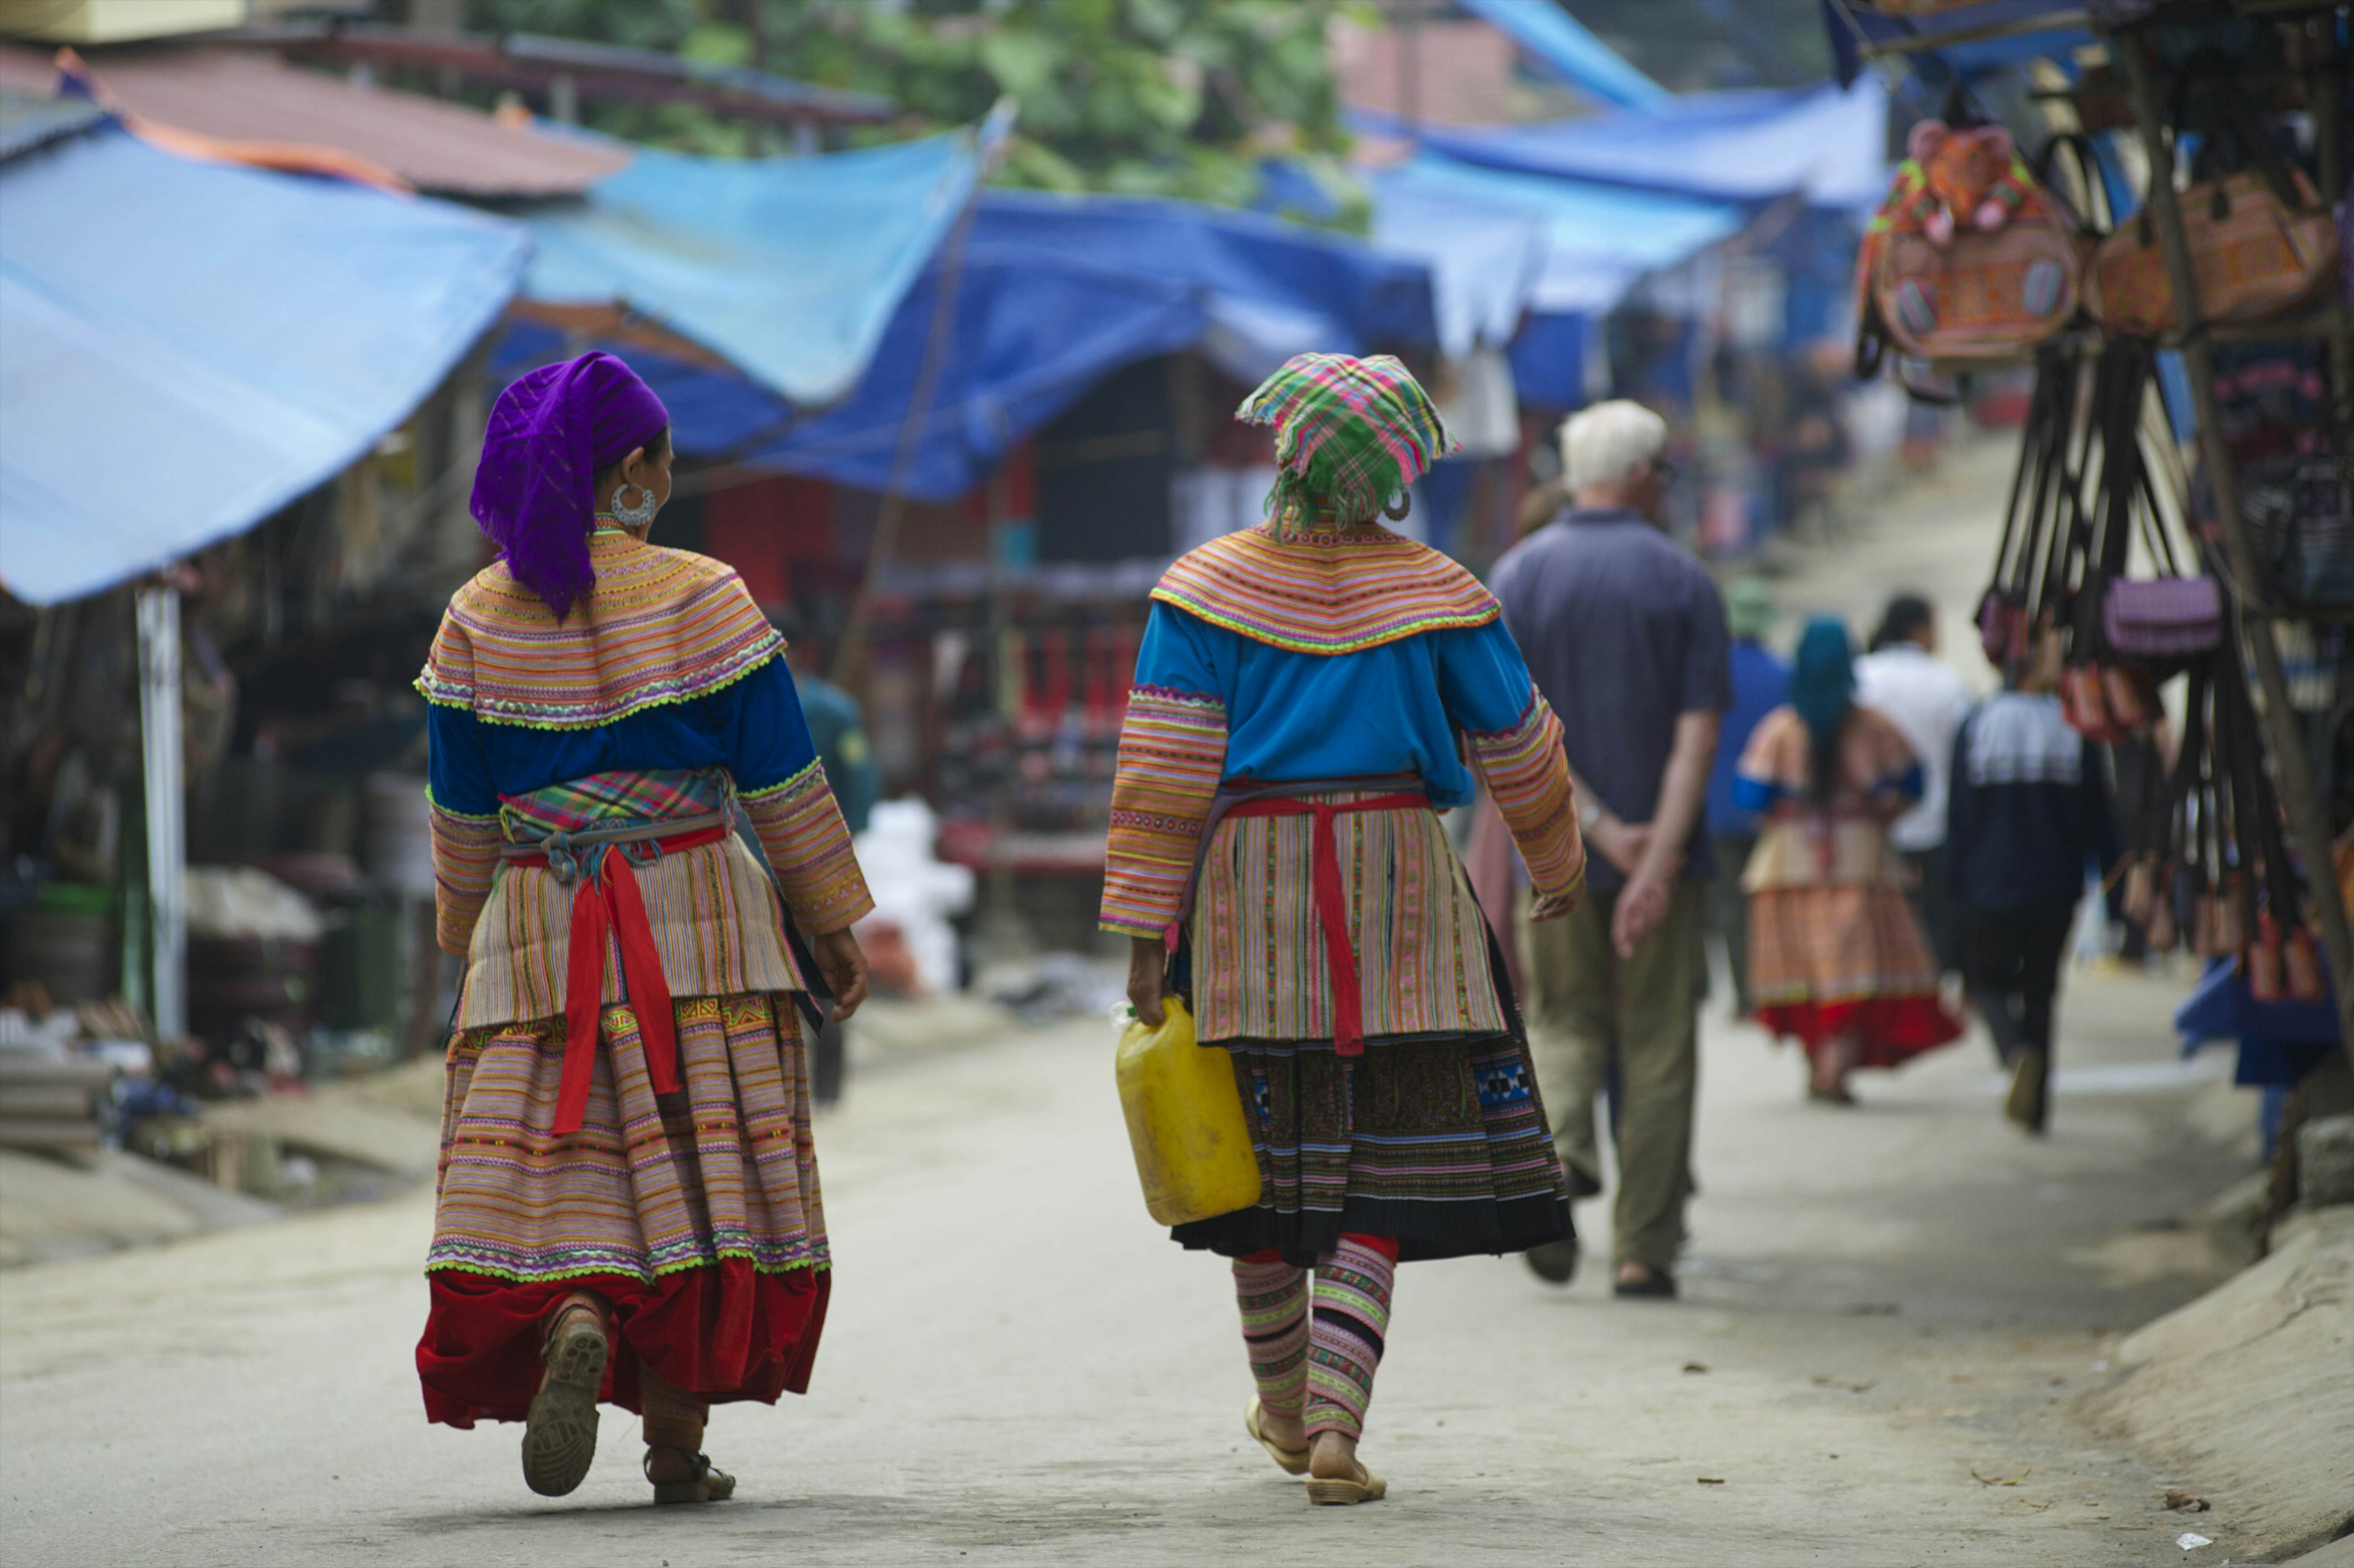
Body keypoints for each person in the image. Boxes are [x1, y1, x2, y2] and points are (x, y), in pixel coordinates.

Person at [1105, 353, 1586, 1506]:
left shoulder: (1202, 588)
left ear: (1286, 455)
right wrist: (1553, 863)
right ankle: (1332, 1428)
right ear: (1391, 473)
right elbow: (1518, 742)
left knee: (1253, 1167)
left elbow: (1163, 773)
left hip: (1245, 892)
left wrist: (1139, 931)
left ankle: (1278, 1404)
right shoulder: (1438, 591)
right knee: (1384, 1169)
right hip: (1401, 886)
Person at [411, 353, 874, 1504]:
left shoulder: (475, 615)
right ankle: (674, 1445)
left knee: (573, 1170)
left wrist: (471, 936)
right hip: (699, 917)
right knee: (696, 1166)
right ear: (630, 469)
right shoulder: (706, 594)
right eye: (664, 459)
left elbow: (461, 814)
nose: (669, 478)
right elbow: (781, 780)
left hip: (538, 922)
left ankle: (572, 1306)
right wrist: (829, 922)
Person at [1492, 399, 1729, 1300]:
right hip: (1668, 866)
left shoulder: (1514, 576)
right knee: (1662, 1043)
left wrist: (1593, 827)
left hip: (1553, 853)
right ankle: (1644, 1250)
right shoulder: (1683, 580)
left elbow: (1504, 734)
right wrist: (1654, 857)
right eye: (1665, 475)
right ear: (1639, 477)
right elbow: (1697, 739)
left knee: (1562, 1019)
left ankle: (1554, 1168)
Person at [1735, 618, 1961, 1102]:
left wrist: (1787, 815)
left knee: (1807, 975)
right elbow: (1914, 785)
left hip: (1786, 869)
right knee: (1854, 972)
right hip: (1863, 864)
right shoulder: (1874, 727)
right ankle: (1835, 1069)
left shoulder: (1780, 730)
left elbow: (1751, 797)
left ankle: (1821, 1065)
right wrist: (1882, 812)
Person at [1947, 669, 2120, 1132]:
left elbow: (1960, 817)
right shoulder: (2072, 726)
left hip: (1992, 883)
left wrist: (1953, 888)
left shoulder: (1979, 723)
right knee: (2041, 992)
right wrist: (2115, 890)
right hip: (2056, 883)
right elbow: (2099, 815)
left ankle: (2014, 1053)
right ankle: (2037, 1108)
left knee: (1988, 980)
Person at [777, 619, 880, 1105]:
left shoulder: (742, 703)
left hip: (753, 860)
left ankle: (780, 1091)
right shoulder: (836, 709)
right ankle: (829, 1089)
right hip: (818, 861)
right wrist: (843, 851)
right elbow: (859, 785)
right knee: (828, 968)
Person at [1853, 594, 1974, 976]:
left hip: (1874, 822)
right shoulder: (1948, 683)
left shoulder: (1860, 677)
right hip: (1938, 820)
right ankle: (1932, 981)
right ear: (1920, 629)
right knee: (1936, 913)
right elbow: (1969, 752)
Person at [1704, 578, 1790, 1018]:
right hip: (1771, 808)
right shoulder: (1783, 674)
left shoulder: (1708, 672)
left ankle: (1745, 996)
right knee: (1772, 902)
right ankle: (1778, 986)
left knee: (1730, 906)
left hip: (1716, 809)